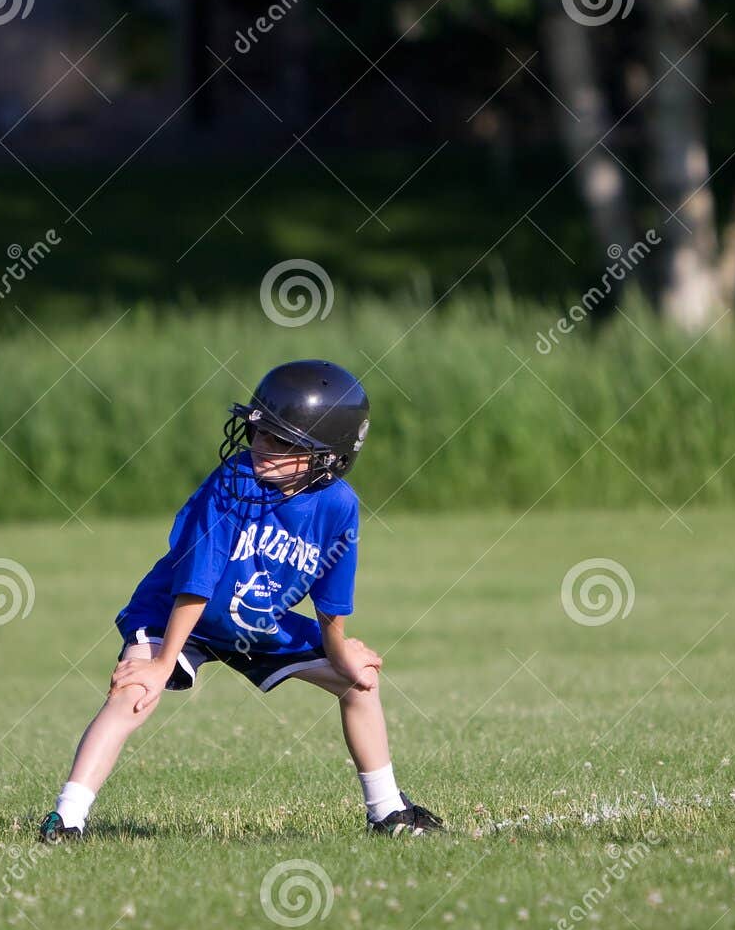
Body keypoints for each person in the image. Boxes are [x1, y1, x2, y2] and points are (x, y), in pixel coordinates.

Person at [38, 359, 444, 842]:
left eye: (282, 441)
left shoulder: (339, 506)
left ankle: (388, 812)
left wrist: (341, 653)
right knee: (135, 693)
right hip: (176, 612)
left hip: (253, 621)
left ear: (329, 456)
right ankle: (68, 818)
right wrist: (162, 662)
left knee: (360, 685)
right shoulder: (231, 483)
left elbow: (331, 599)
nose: (260, 447)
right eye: (259, 432)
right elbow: (195, 579)